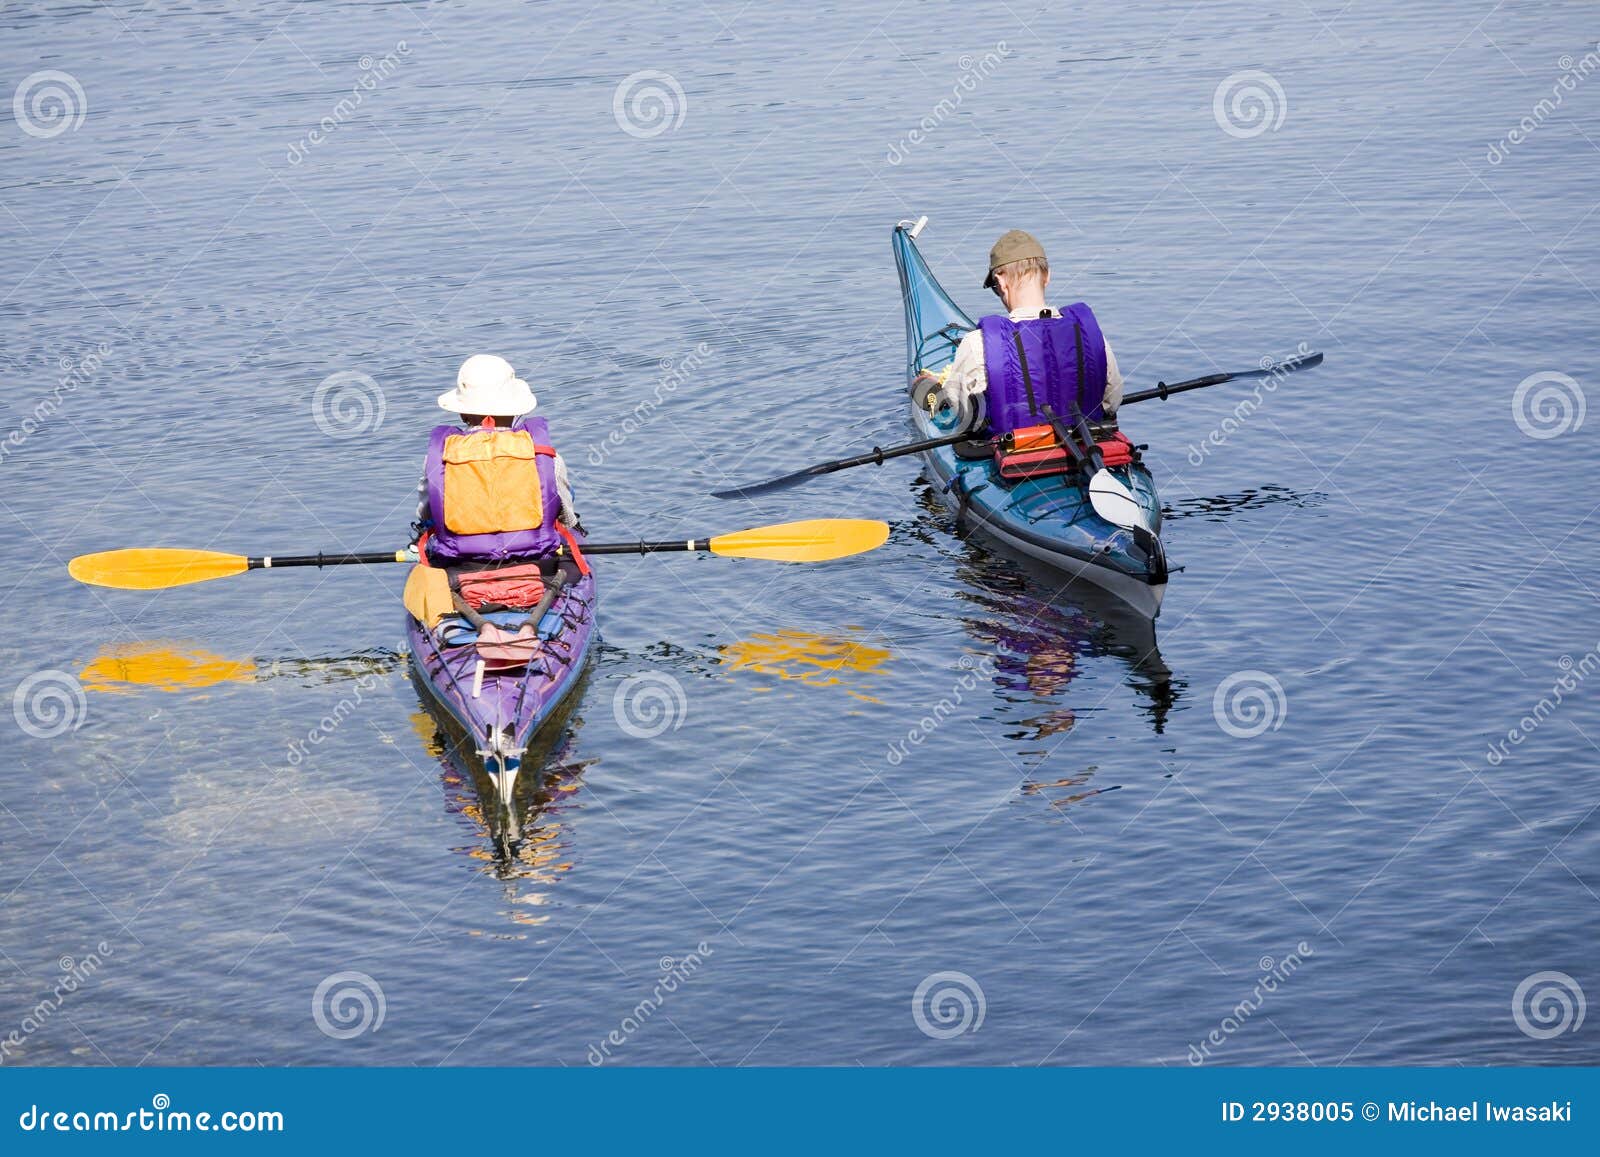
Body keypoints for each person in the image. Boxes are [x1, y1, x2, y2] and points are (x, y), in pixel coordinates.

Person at [403, 354, 582, 633]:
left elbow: (427, 514)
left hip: (461, 571)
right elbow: (566, 517)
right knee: (571, 553)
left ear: (462, 412)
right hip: (538, 569)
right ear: (515, 411)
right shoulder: (546, 455)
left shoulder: (438, 459)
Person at [918, 229, 1124, 438]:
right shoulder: (1091, 335)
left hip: (1013, 460)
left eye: (995, 288)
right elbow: (1112, 402)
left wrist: (931, 389)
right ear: (1047, 276)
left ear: (1001, 281)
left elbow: (957, 414)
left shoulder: (977, 344)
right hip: (1086, 445)